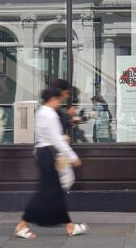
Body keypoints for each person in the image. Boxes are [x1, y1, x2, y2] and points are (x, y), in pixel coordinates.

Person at [13, 85, 88, 239]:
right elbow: (56, 140)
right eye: (59, 100)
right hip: (48, 154)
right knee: (47, 192)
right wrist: (73, 156)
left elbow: (48, 137)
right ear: (53, 98)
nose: (60, 104)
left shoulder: (41, 112)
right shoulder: (50, 115)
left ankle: (69, 226)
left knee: (53, 192)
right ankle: (22, 225)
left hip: (43, 153)